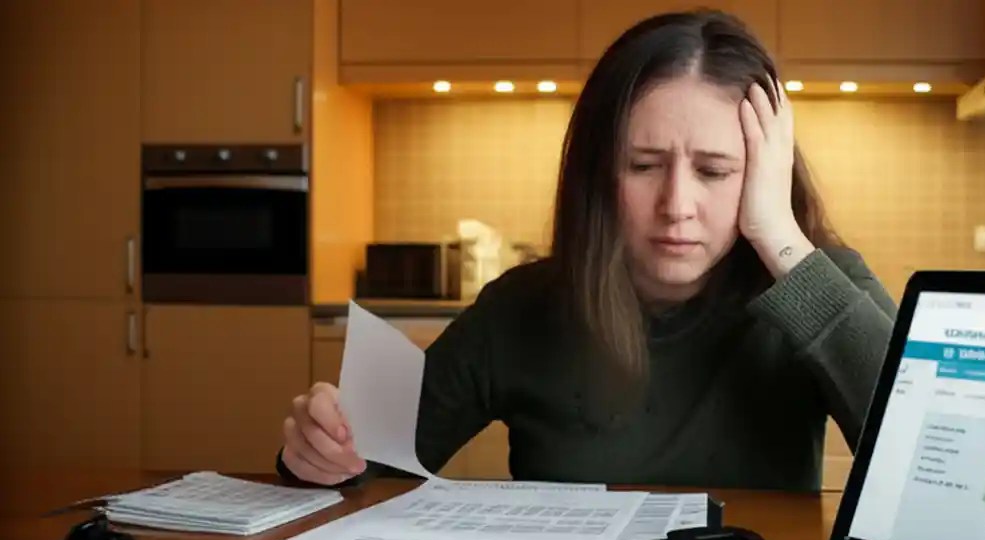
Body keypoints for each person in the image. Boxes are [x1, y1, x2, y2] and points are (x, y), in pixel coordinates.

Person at [277, 10, 896, 491]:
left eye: (714, 171)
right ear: (600, 173)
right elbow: (369, 468)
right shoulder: (523, 307)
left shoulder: (820, 288)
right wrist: (320, 452)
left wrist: (780, 236)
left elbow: (926, 462)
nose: (676, 203)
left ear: (763, 173)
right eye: (644, 165)